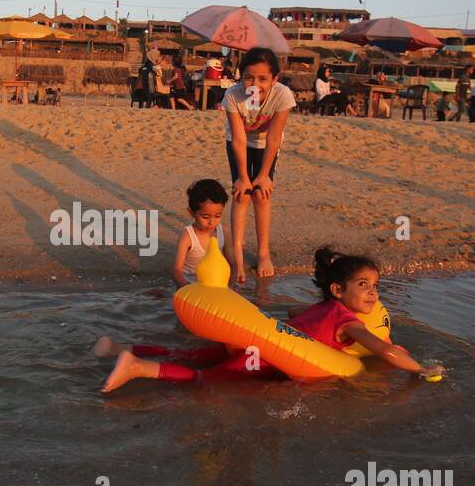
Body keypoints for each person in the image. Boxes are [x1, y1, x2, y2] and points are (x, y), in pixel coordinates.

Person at [98, 246, 441, 392]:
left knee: (191, 355)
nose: (372, 294)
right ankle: (137, 368)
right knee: (201, 380)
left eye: (376, 287)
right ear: (338, 289)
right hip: (259, 360)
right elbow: (384, 350)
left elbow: (293, 315)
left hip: (248, 342)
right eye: (363, 286)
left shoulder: (324, 308)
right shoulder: (350, 324)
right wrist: (420, 368)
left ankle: (118, 348)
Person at [222, 46, 293, 283]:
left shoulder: (283, 96)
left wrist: (263, 175)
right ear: (240, 77)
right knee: (242, 194)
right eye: (249, 77)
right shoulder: (232, 95)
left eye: (263, 79)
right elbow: (239, 138)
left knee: (262, 194)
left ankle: (264, 254)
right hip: (239, 142)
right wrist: (243, 176)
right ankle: (237, 257)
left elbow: (274, 138)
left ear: (275, 79)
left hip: (266, 145)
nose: (255, 84)